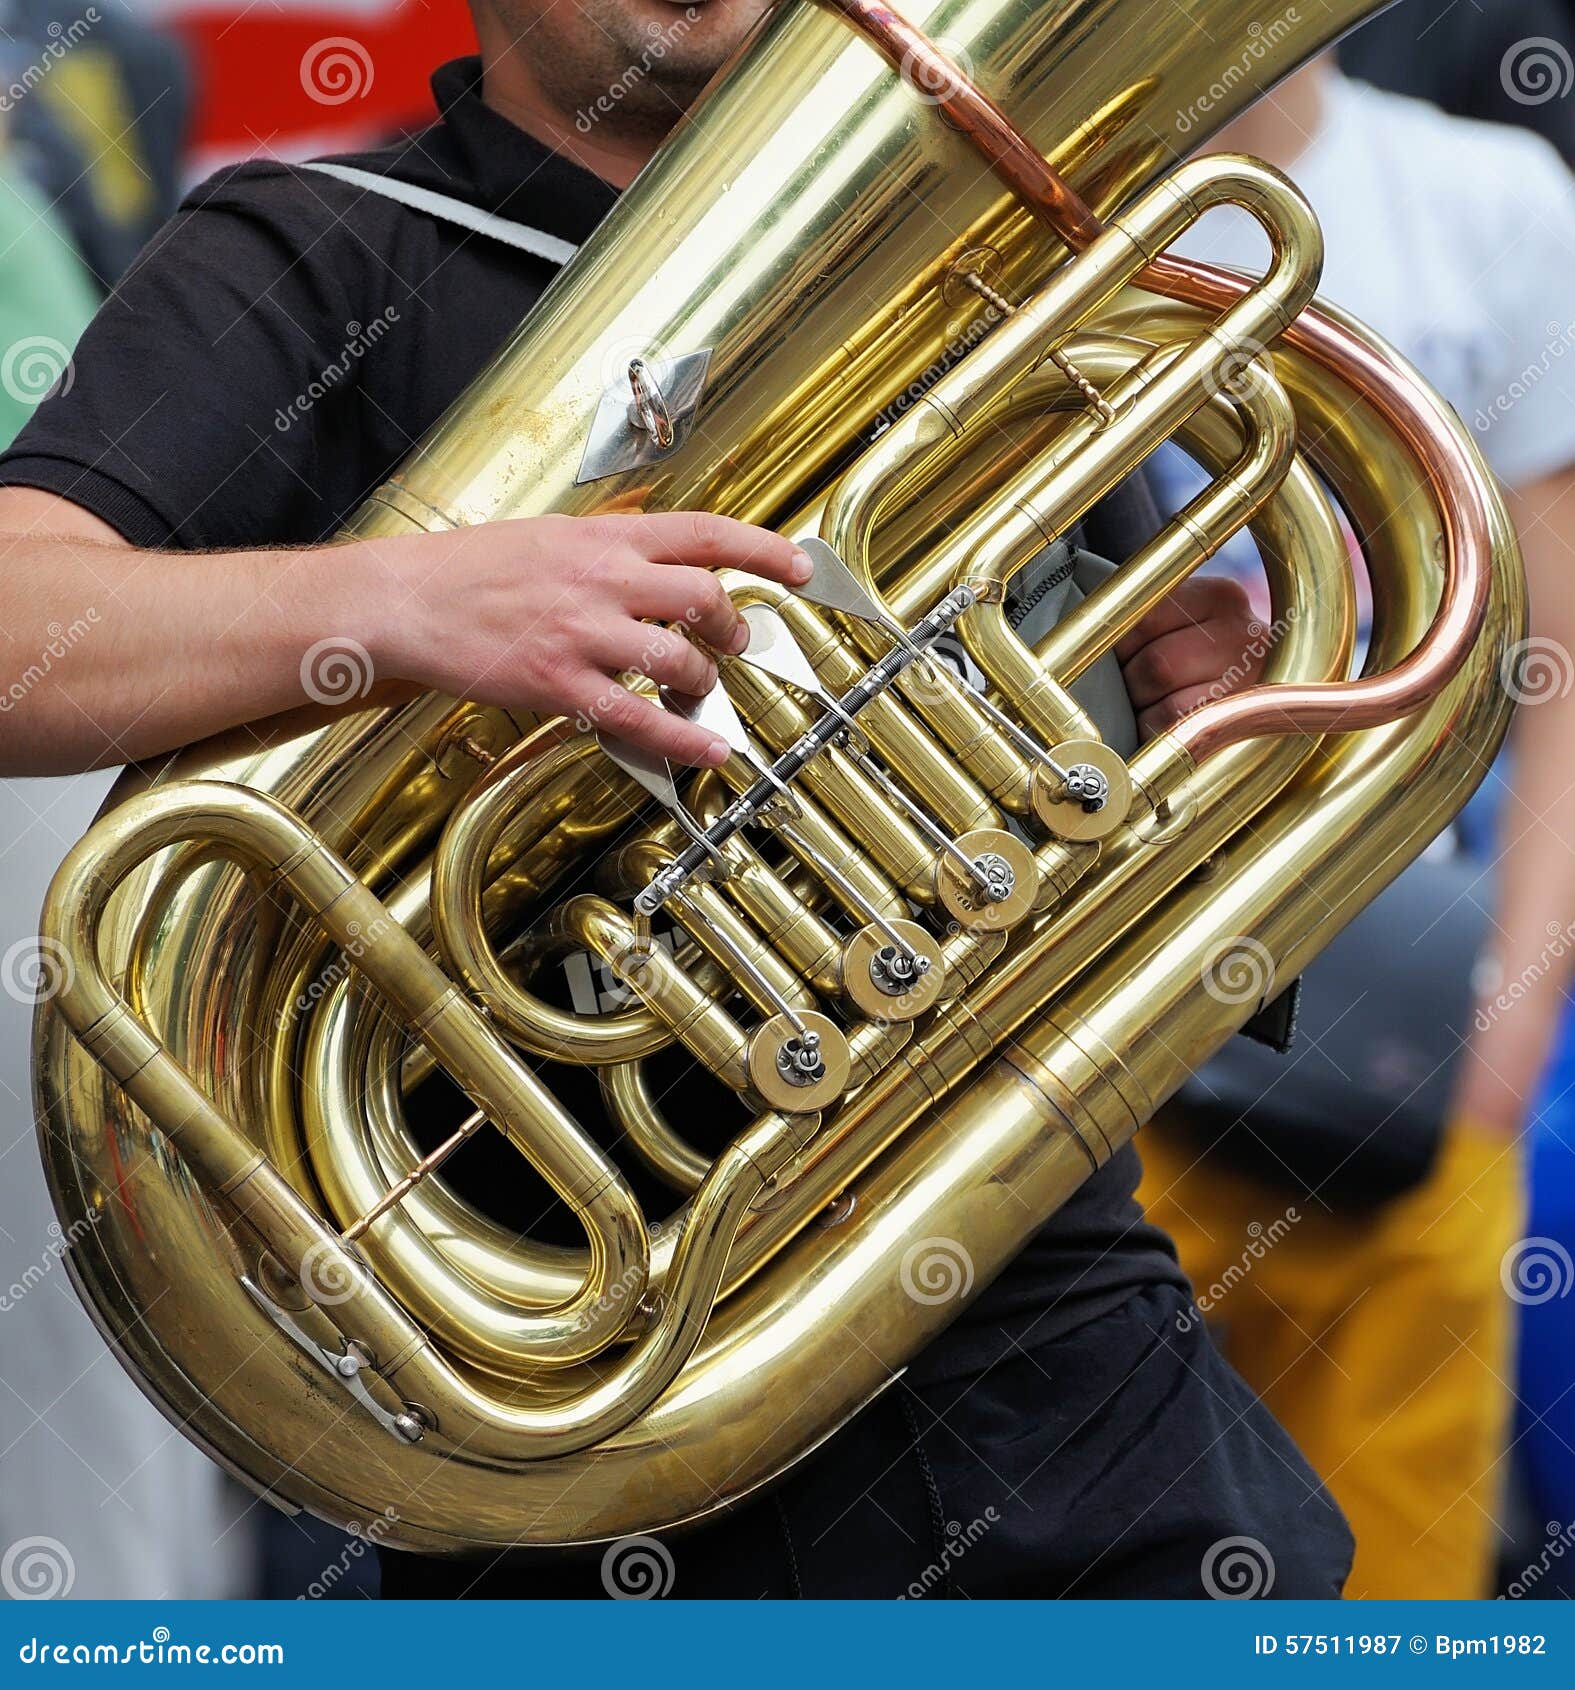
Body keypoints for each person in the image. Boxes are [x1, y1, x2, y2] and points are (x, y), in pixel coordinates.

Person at [0, 0, 1352, 1598]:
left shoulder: (977, 244)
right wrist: (402, 603)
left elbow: (1108, 888)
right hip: (578, 1441)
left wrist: (1174, 733)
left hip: (1066, 1397)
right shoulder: (317, 253)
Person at [1137, 53, 1575, 1599]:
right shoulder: (1010, 201)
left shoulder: (1495, 204)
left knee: (1395, 1592)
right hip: (1091, 1055)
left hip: (1403, 1039)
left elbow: (1564, 662)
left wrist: (1504, 1036)